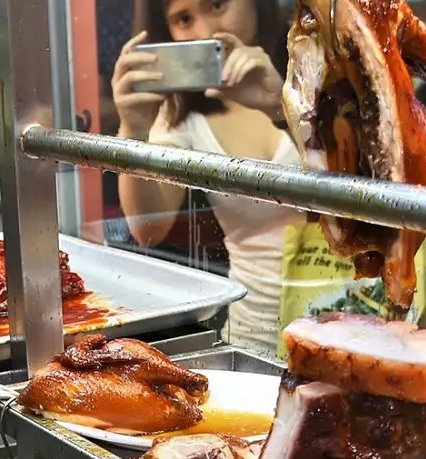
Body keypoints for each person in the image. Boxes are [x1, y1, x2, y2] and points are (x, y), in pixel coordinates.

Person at [111, 0, 302, 355]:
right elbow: (148, 229)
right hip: (258, 333)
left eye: (217, 4)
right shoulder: (181, 114)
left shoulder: (313, 73)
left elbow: (370, 179)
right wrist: (133, 128)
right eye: (184, 19)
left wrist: (281, 105)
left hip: (355, 312)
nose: (206, 31)